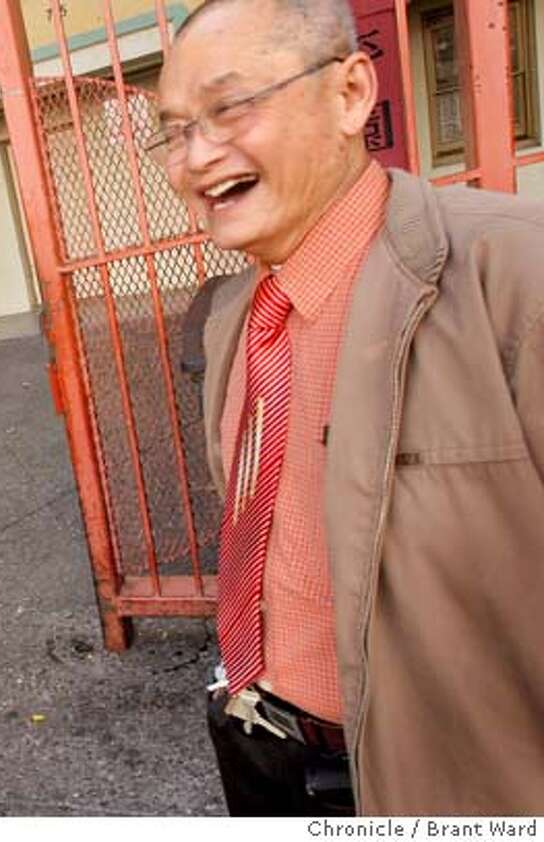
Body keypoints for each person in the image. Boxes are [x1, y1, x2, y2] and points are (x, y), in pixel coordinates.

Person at [152, 0, 544, 816]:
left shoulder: (516, 278)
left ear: (350, 93)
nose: (196, 156)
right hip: (261, 745)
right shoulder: (232, 315)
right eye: (174, 128)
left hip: (451, 784)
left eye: (228, 107)